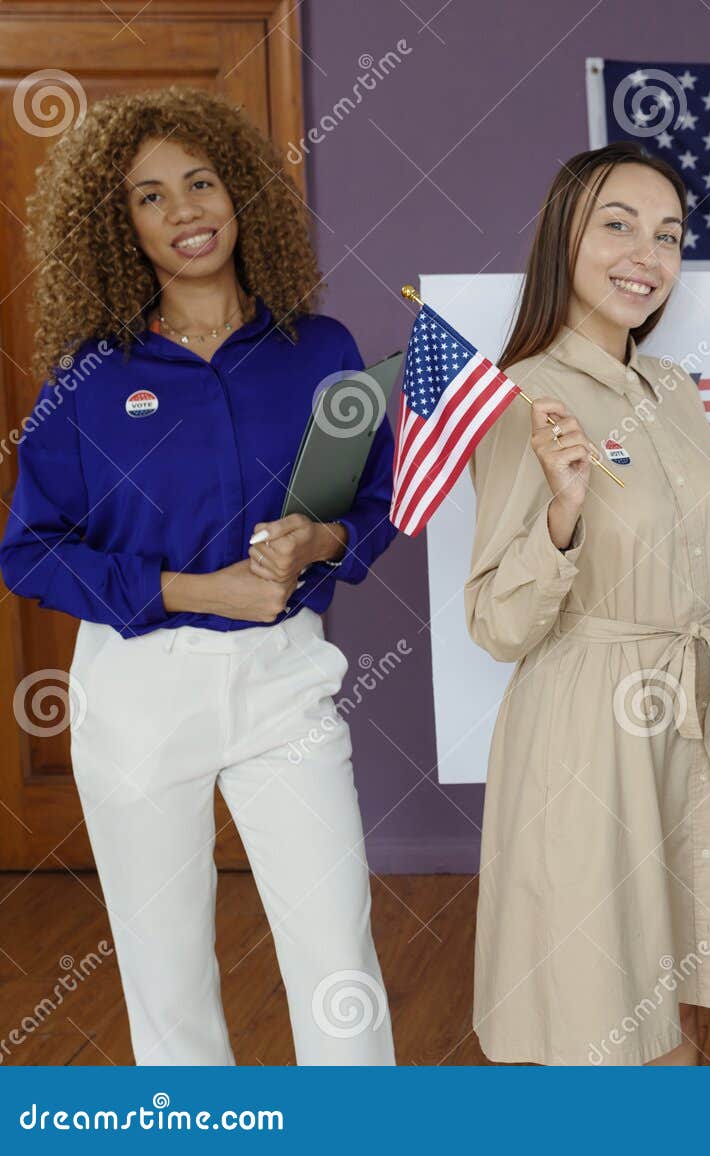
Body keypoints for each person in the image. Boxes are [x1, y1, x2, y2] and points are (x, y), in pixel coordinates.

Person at [0, 88, 398, 1064]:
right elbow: (29, 548)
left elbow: (379, 502)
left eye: (200, 182)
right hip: (139, 693)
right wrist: (197, 590)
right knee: (165, 969)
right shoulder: (87, 380)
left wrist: (319, 542)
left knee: (337, 956)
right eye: (149, 196)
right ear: (118, 224)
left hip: (283, 680)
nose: (183, 210)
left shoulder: (324, 352)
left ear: (239, 195)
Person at [463, 142, 710, 1066]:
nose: (648, 254)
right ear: (563, 240)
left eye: (667, 235)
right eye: (618, 225)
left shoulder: (671, 391)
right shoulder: (522, 398)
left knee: (668, 986)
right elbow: (496, 623)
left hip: (690, 721)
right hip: (587, 735)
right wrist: (563, 510)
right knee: (595, 1005)